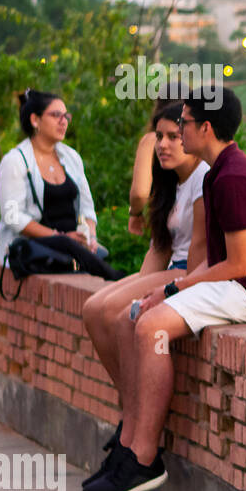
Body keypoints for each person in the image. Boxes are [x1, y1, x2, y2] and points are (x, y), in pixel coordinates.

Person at [82, 86, 246, 491]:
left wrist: (173, 289)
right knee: (137, 316)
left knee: (151, 328)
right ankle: (129, 443)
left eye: (182, 124)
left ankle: (144, 458)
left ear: (205, 127)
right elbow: (212, 261)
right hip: (234, 283)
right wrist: (166, 290)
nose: (177, 131)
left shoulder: (233, 176)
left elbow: (238, 265)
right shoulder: (219, 172)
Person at [81, 101, 209, 453]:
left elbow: (199, 258)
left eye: (173, 136)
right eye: (159, 137)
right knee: (95, 308)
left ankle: (135, 422)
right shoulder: (171, 182)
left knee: (118, 313)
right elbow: (159, 247)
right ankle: (132, 410)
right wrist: (135, 286)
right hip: (172, 267)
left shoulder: (202, 178)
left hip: (189, 273)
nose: (163, 145)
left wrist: (147, 292)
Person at [0, 89, 123, 280]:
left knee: (79, 248)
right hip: (35, 246)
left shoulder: (71, 157)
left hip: (72, 247)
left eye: (66, 116)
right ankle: (115, 278)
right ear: (35, 120)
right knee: (66, 244)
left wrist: (90, 236)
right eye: (56, 115)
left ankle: (111, 276)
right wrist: (58, 236)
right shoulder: (15, 161)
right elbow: (12, 217)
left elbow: (87, 207)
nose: (63, 121)